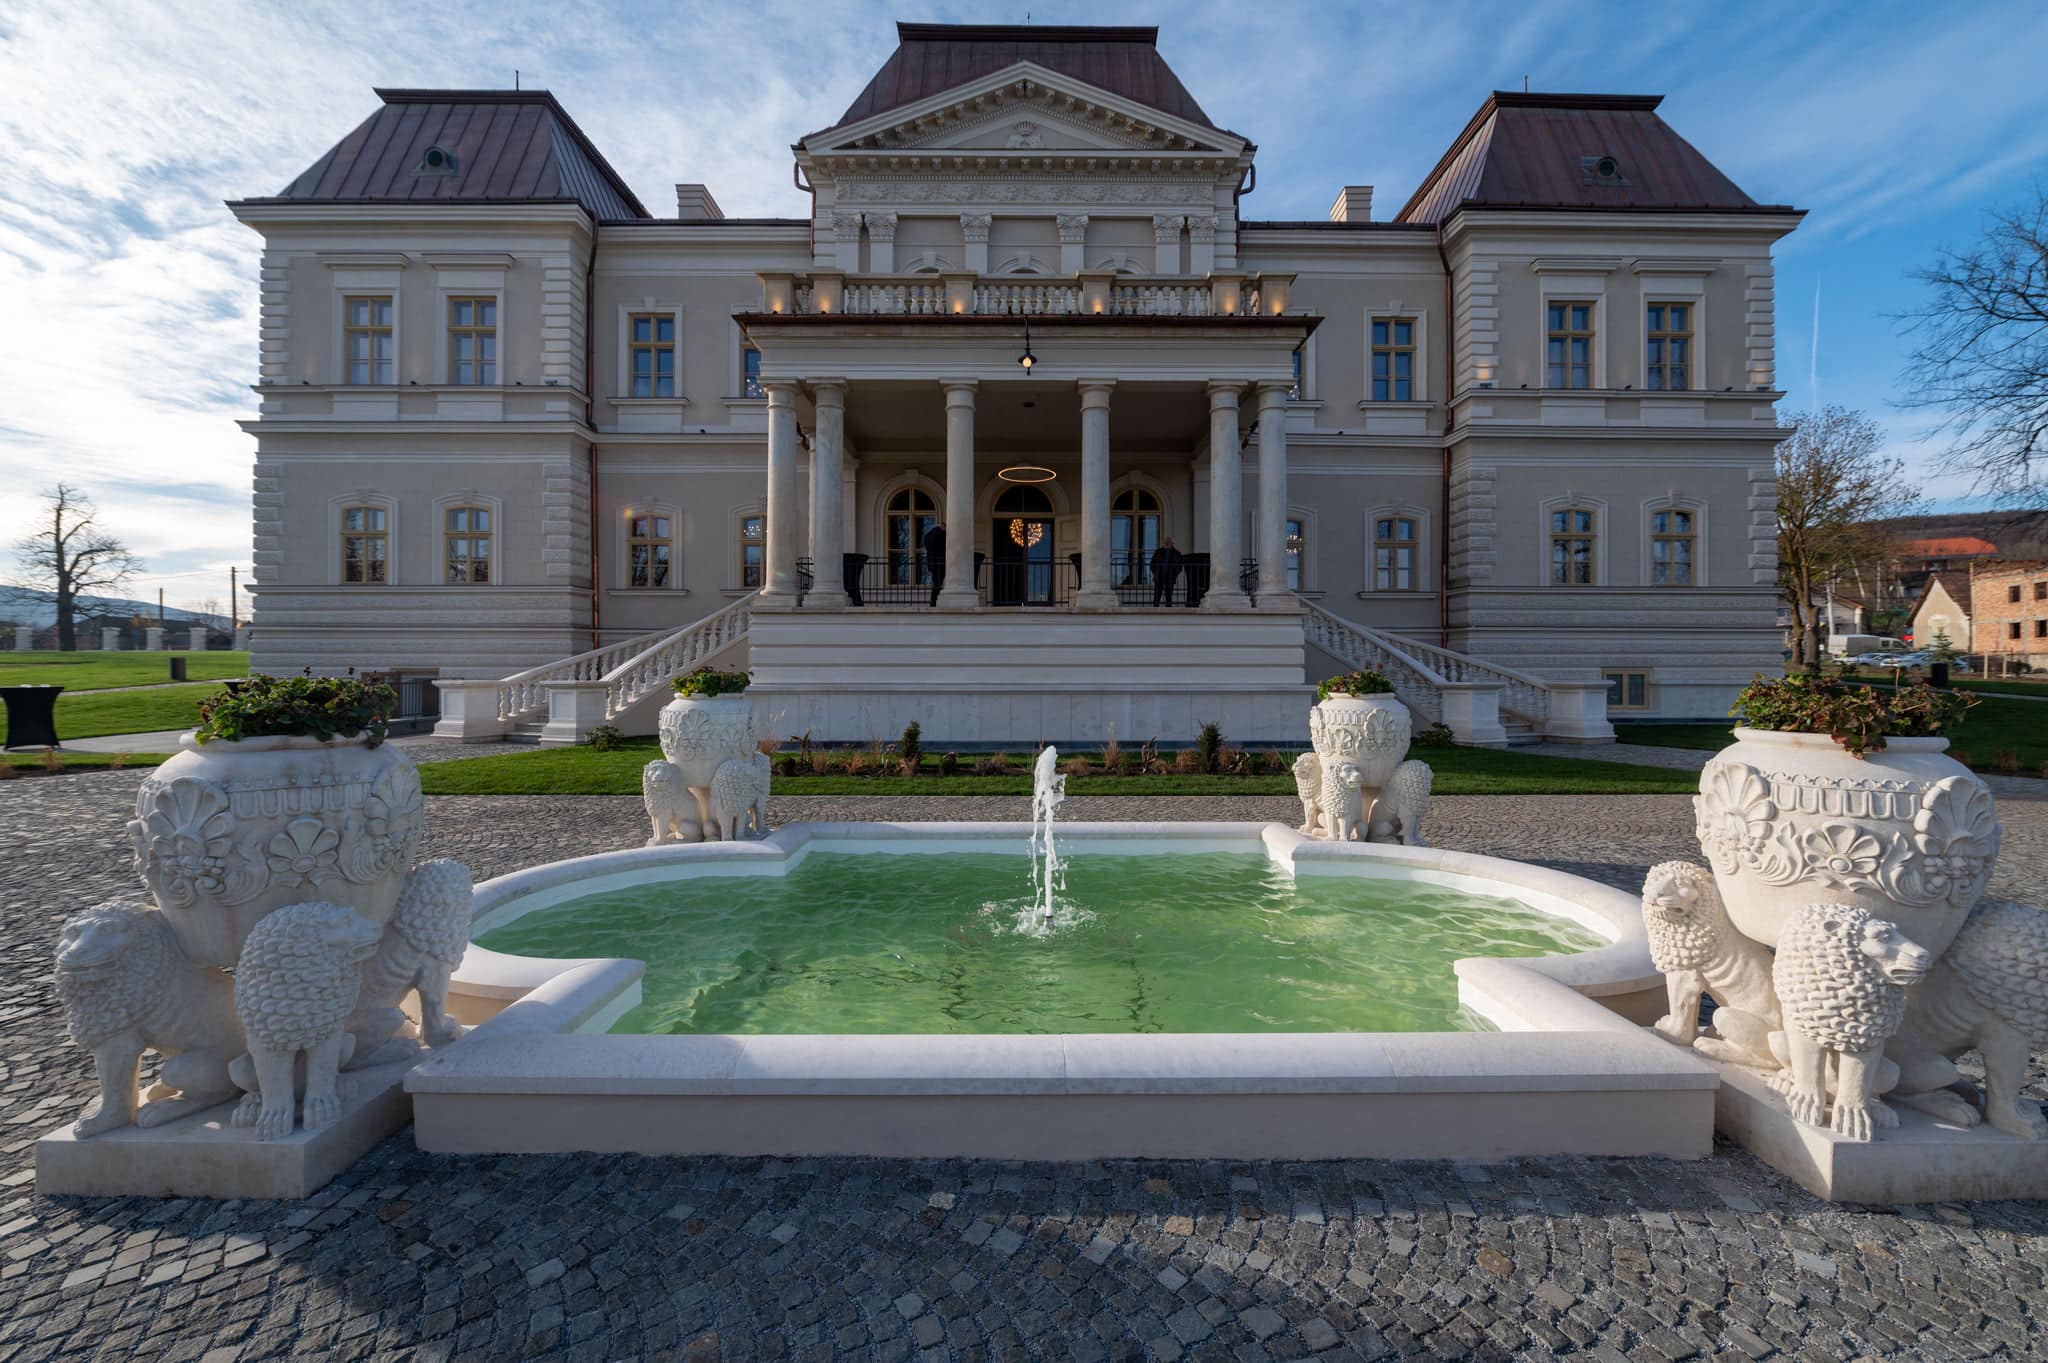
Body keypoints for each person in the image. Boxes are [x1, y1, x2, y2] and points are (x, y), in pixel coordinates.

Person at [1149, 536, 1182, 607]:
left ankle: (1169, 610)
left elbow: (1180, 566)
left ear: (1172, 543)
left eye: (1169, 541)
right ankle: (1155, 609)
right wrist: (1155, 572)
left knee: (1169, 596)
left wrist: (1174, 574)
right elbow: (1152, 564)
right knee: (1157, 595)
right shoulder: (1158, 552)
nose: (1167, 543)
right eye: (1166, 541)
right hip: (1159, 576)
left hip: (1170, 577)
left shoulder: (1177, 553)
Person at [923, 520, 947, 606]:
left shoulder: (928, 535)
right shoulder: (941, 535)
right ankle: (934, 601)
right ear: (943, 527)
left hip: (932, 563)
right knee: (938, 583)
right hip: (940, 563)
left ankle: (934, 601)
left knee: (936, 583)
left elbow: (927, 544)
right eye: (945, 528)